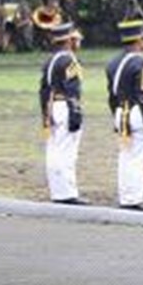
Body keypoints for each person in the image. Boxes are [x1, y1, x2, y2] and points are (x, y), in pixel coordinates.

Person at [105, 8, 143, 211]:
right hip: (137, 113)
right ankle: (134, 199)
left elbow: (111, 95)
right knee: (139, 156)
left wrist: (116, 117)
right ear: (139, 40)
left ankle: (126, 196)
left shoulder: (112, 63)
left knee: (125, 156)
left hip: (120, 111)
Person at [40, 19, 85, 205]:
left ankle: (58, 192)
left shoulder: (50, 60)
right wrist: (75, 112)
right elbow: (72, 89)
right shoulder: (69, 60)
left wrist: (45, 114)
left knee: (54, 150)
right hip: (65, 105)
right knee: (67, 151)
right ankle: (68, 193)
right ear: (68, 40)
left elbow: (43, 90)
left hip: (52, 106)